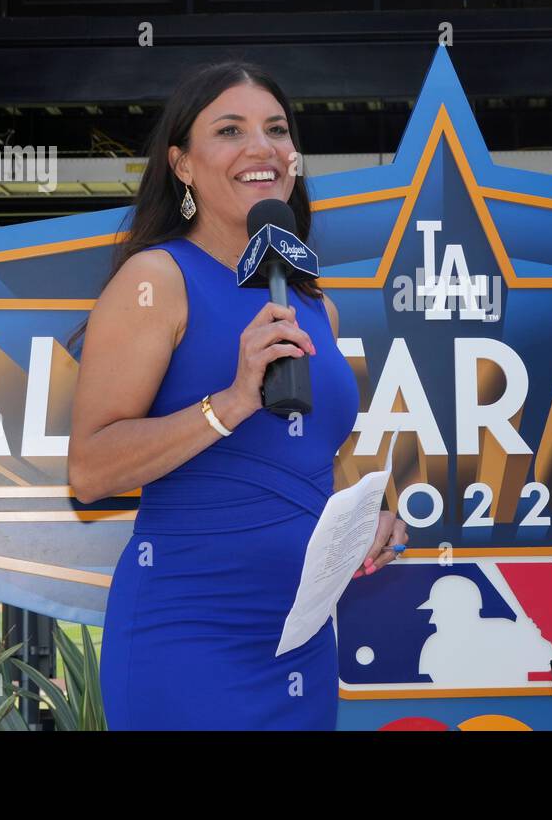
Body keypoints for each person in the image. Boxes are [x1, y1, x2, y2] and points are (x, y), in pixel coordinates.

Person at [67, 60, 408, 730]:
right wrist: (231, 400)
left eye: (277, 130)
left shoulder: (315, 306)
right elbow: (90, 470)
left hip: (299, 641)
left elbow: (306, 456)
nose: (263, 148)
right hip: (187, 638)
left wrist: (363, 519)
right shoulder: (156, 279)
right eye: (230, 130)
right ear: (183, 165)